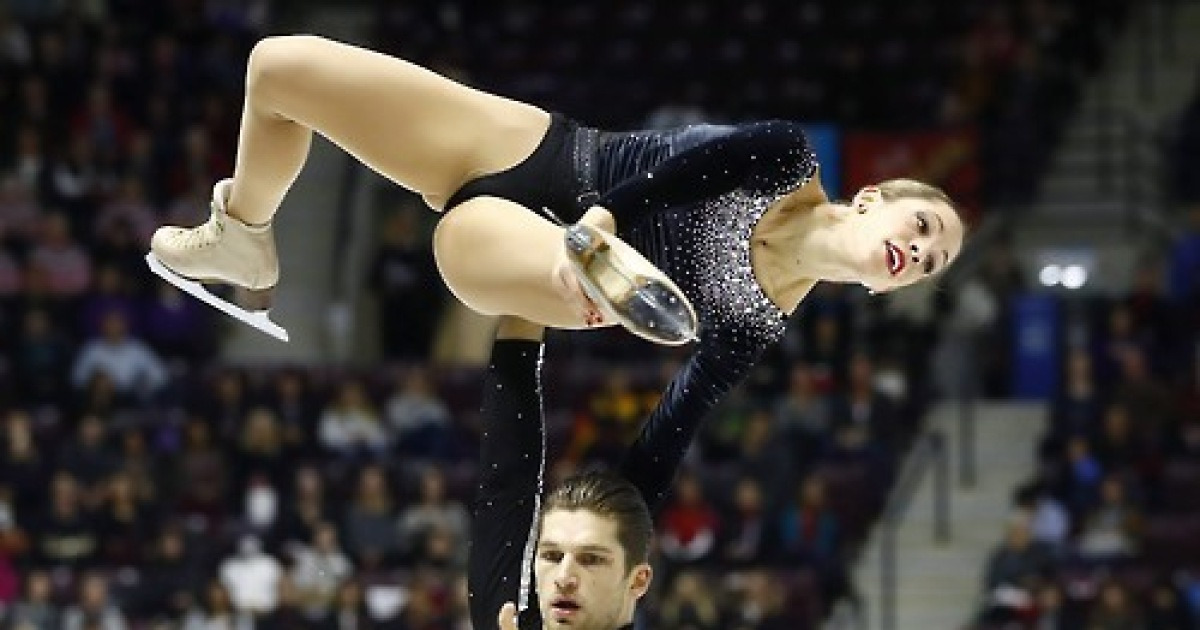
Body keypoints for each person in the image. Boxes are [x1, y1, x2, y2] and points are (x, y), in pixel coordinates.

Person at [149, 34, 964, 439]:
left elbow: (665, 439)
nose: (921, 252)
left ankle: (592, 271)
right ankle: (241, 235)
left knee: (463, 246)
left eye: (930, 265)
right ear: (872, 198)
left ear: (891, 287)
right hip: (546, 151)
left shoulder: (754, 324)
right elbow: (682, 171)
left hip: (549, 269)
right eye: (923, 226)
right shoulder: (790, 156)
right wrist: (607, 214)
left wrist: (607, 550)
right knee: (279, 67)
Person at [476, 316, 717, 630]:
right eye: (550, 556)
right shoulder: (505, 613)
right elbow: (505, 479)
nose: (564, 578)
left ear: (638, 581)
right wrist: (531, 298)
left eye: (591, 559)